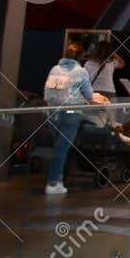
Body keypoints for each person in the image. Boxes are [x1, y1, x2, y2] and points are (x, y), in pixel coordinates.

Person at [42, 40, 110, 195]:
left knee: (58, 147)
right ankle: (53, 183)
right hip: (71, 114)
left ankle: (58, 179)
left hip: (52, 113)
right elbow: (88, 95)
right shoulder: (80, 71)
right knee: (62, 148)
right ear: (80, 56)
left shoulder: (55, 69)